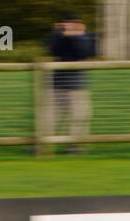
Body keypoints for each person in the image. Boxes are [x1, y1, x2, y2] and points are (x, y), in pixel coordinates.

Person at [45, 12, 96, 154]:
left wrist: (76, 36)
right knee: (49, 117)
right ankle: (42, 146)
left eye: (73, 23)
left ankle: (75, 148)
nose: (69, 26)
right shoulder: (57, 36)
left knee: (78, 117)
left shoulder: (87, 36)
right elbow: (51, 50)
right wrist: (59, 34)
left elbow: (85, 53)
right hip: (56, 84)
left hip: (77, 85)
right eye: (67, 23)